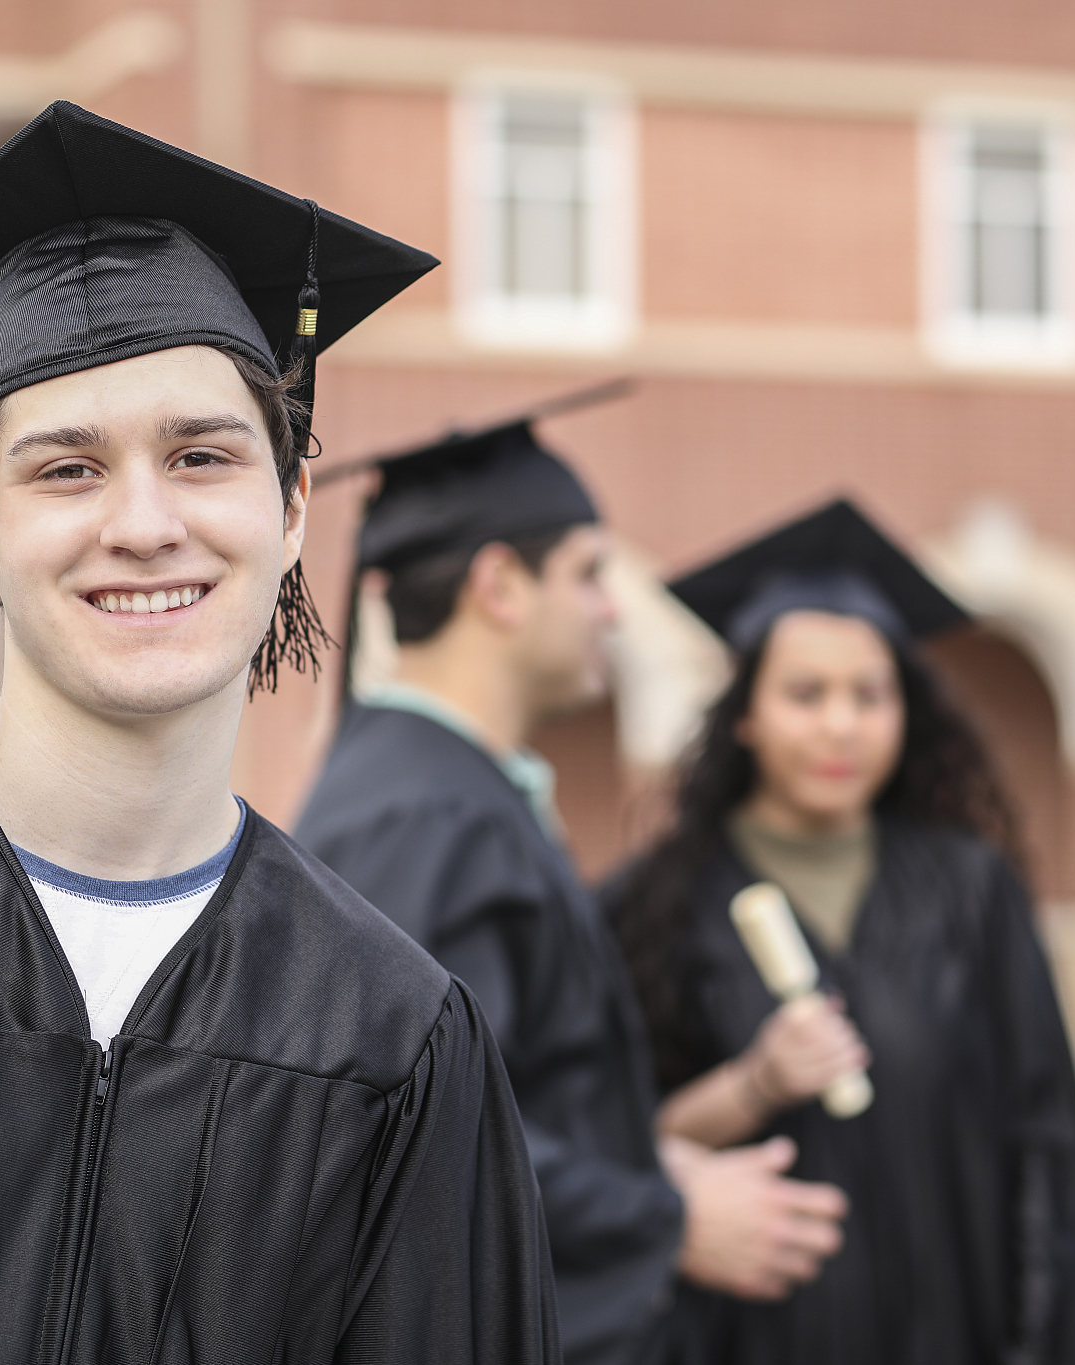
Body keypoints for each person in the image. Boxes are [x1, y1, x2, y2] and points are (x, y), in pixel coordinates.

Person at [0, 102, 555, 1363]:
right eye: (66, 468)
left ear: (290, 512)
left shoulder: (389, 1033)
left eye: (201, 457)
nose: (142, 523)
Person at [294, 417, 850, 1365]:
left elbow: (508, 1095)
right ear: (499, 586)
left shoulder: (449, 789)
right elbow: (417, 1137)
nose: (613, 609)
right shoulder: (429, 815)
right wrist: (666, 1218)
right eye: (590, 573)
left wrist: (642, 1161)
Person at [606, 498, 1075, 1365]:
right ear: (748, 715)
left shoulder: (972, 889)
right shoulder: (653, 903)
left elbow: (1045, 1144)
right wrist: (755, 1084)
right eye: (806, 694)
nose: (840, 724)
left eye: (868, 695)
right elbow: (608, 1142)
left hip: (957, 1334)